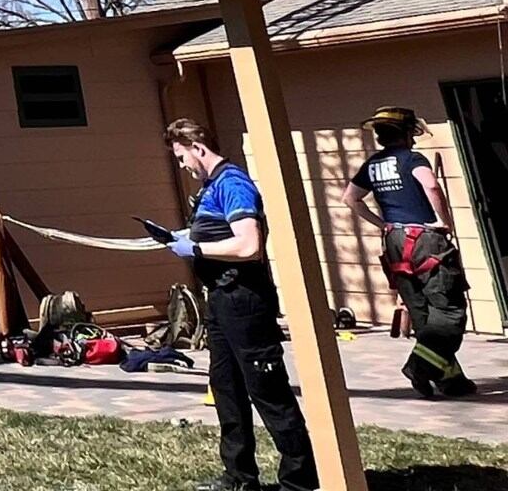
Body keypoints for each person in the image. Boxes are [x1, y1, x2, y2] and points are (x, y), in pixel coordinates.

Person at [162, 118, 318, 491]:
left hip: (245, 301)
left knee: (268, 391)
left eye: (183, 157)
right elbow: (217, 232)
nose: (183, 166)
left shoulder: (233, 183)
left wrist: (196, 248)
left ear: (197, 148)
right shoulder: (211, 188)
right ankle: (239, 477)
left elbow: (249, 246)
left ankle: (300, 480)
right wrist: (183, 237)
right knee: (226, 389)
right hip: (219, 300)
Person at [342, 105, 474, 398]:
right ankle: (419, 366)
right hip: (426, 239)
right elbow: (432, 187)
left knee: (424, 315)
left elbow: (350, 198)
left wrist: (383, 224)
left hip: (394, 242)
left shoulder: (373, 164)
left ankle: (450, 381)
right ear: (406, 133)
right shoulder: (413, 158)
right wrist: (443, 221)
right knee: (449, 310)